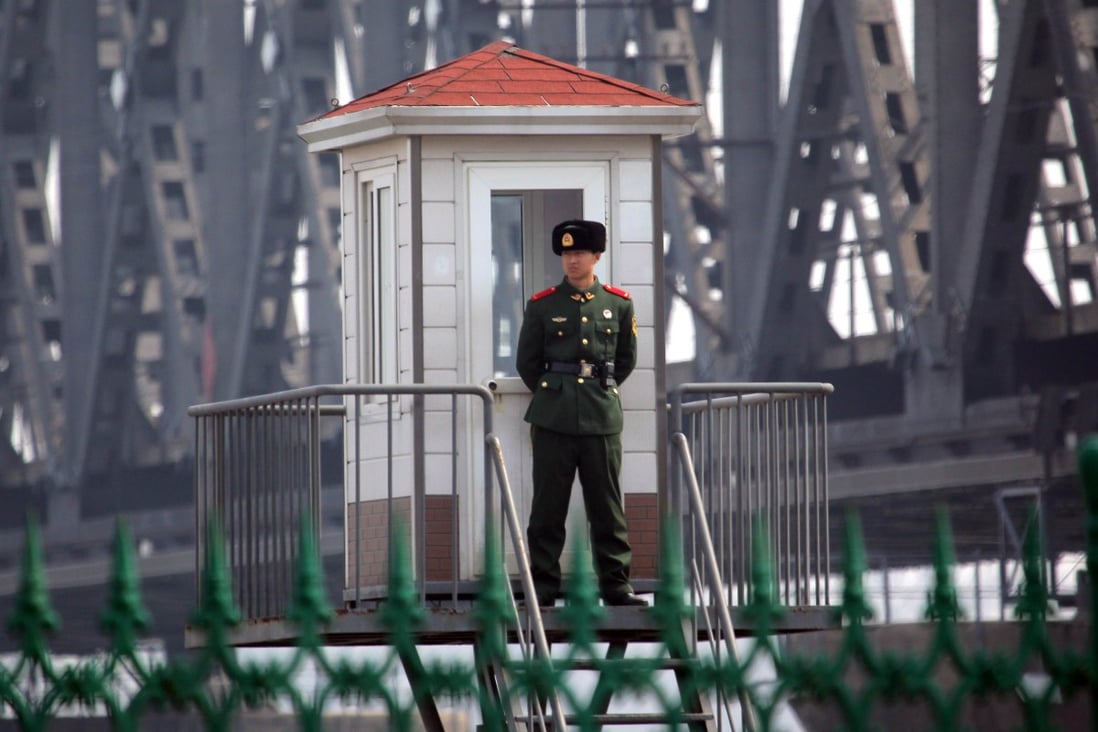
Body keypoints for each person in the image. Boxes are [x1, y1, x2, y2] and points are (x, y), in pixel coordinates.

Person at [515, 219, 648, 607]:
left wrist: (595, 386)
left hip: (601, 416)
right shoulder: (542, 306)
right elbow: (528, 363)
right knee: (547, 508)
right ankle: (542, 587)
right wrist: (554, 390)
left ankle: (616, 586)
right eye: (566, 253)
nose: (572, 260)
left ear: (596, 256)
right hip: (553, 417)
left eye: (579, 253)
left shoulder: (618, 304)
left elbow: (625, 361)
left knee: (606, 507)